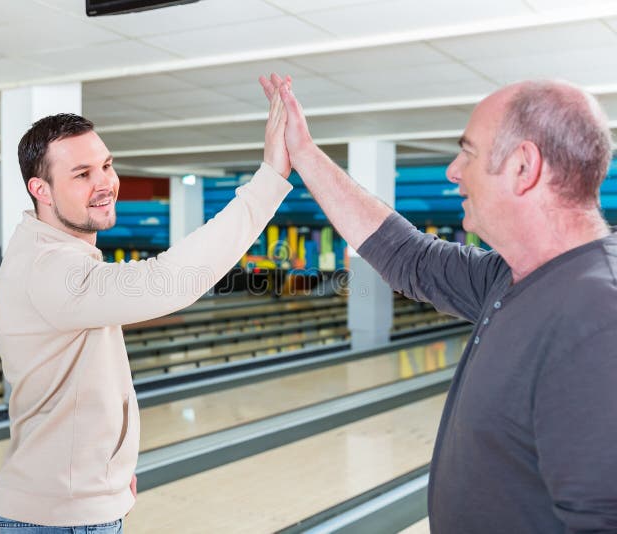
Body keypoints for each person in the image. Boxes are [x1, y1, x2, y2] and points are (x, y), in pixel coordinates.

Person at [260, 74, 617, 533]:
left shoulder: (595, 320)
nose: (452, 169)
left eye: (467, 151)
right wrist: (305, 155)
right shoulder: (512, 275)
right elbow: (409, 255)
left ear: (523, 167)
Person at [0, 91, 293, 532]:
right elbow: (171, 279)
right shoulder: (50, 269)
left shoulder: (47, 252)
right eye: (81, 174)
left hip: (71, 502)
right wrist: (271, 178)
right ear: (41, 189)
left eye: (107, 166)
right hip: (63, 518)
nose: (105, 183)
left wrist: (108, 474)